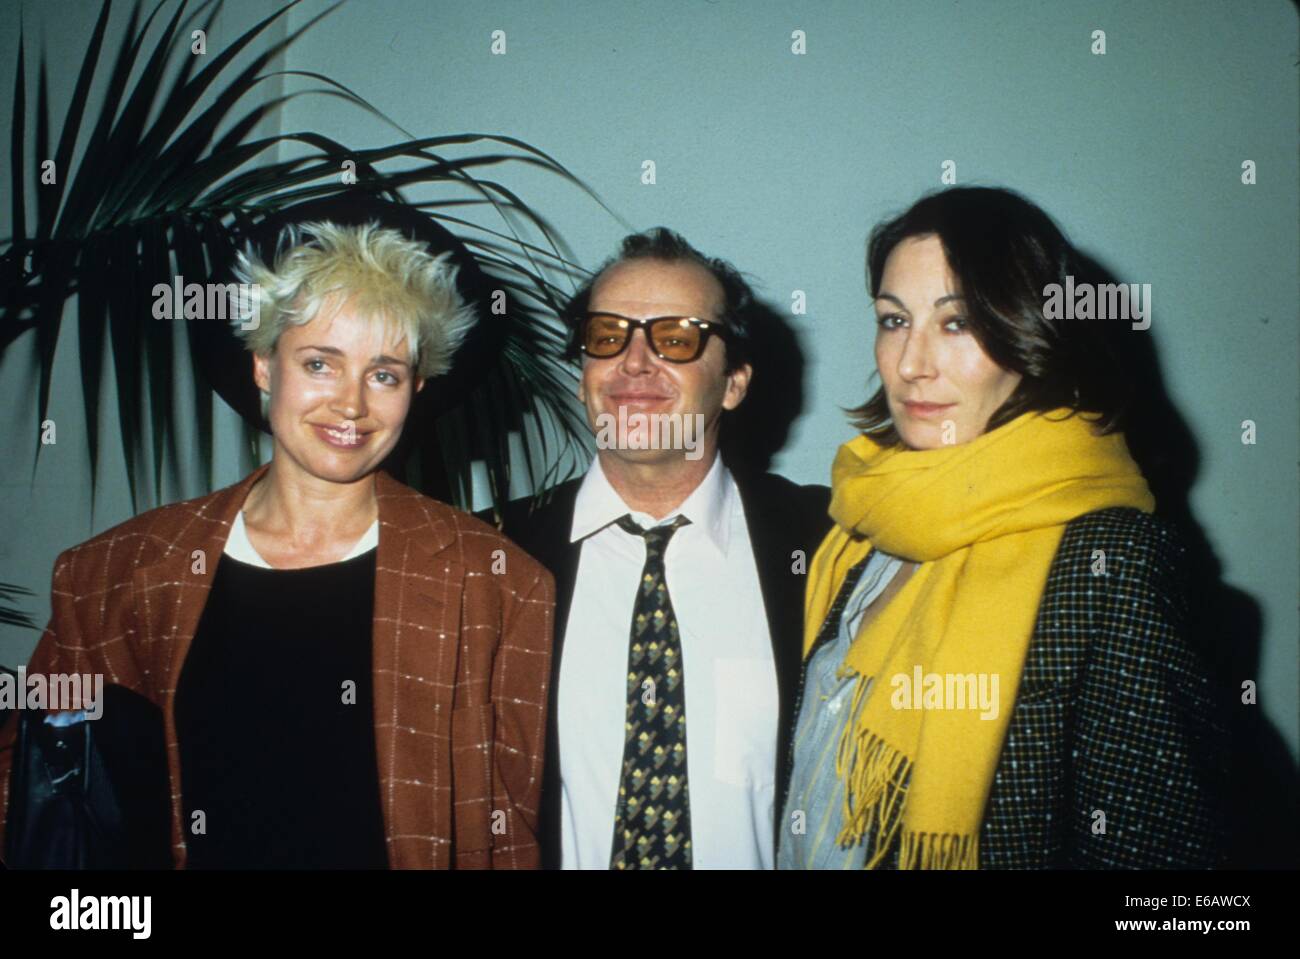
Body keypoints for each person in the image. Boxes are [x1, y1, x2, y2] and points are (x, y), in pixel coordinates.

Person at [0, 221, 555, 869]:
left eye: (384, 374)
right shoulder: (117, 574)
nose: (350, 404)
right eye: (320, 363)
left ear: (418, 389)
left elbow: (511, 838)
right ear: (263, 364)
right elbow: (27, 793)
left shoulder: (498, 586)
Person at [779, 187, 1228, 869]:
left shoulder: (1113, 562)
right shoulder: (863, 524)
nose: (910, 363)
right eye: (894, 320)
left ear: (1032, 331)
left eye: (957, 323)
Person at [491, 228, 832, 869]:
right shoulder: (491, 554)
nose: (636, 362)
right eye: (606, 336)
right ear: (581, 374)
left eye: (676, 337)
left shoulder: (828, 545)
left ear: (734, 382)